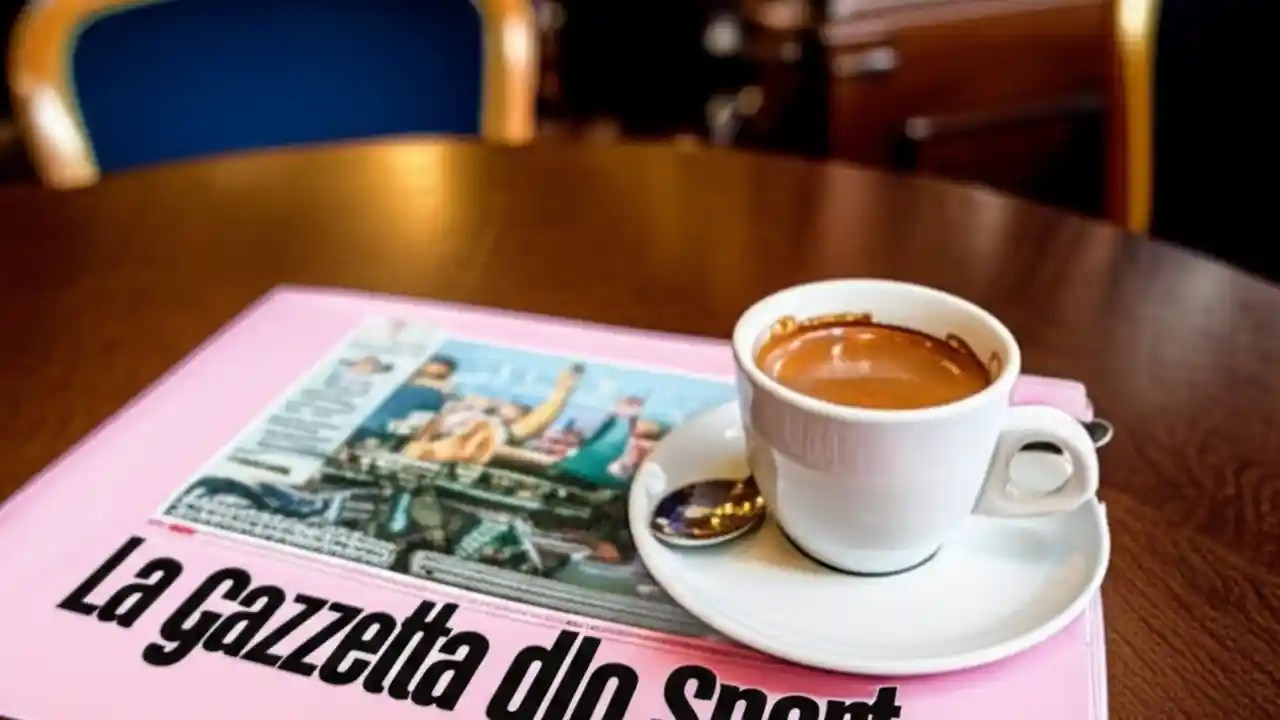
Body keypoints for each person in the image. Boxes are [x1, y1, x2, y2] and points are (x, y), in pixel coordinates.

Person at [401, 364, 584, 465]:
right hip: (432, 438)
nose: (511, 406)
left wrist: (563, 389)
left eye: (517, 409)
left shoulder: (503, 429)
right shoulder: (470, 405)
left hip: (444, 445)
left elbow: (537, 420)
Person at [553, 395, 646, 487]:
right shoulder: (618, 421)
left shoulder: (615, 420)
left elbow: (581, 439)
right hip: (594, 468)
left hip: (588, 467)